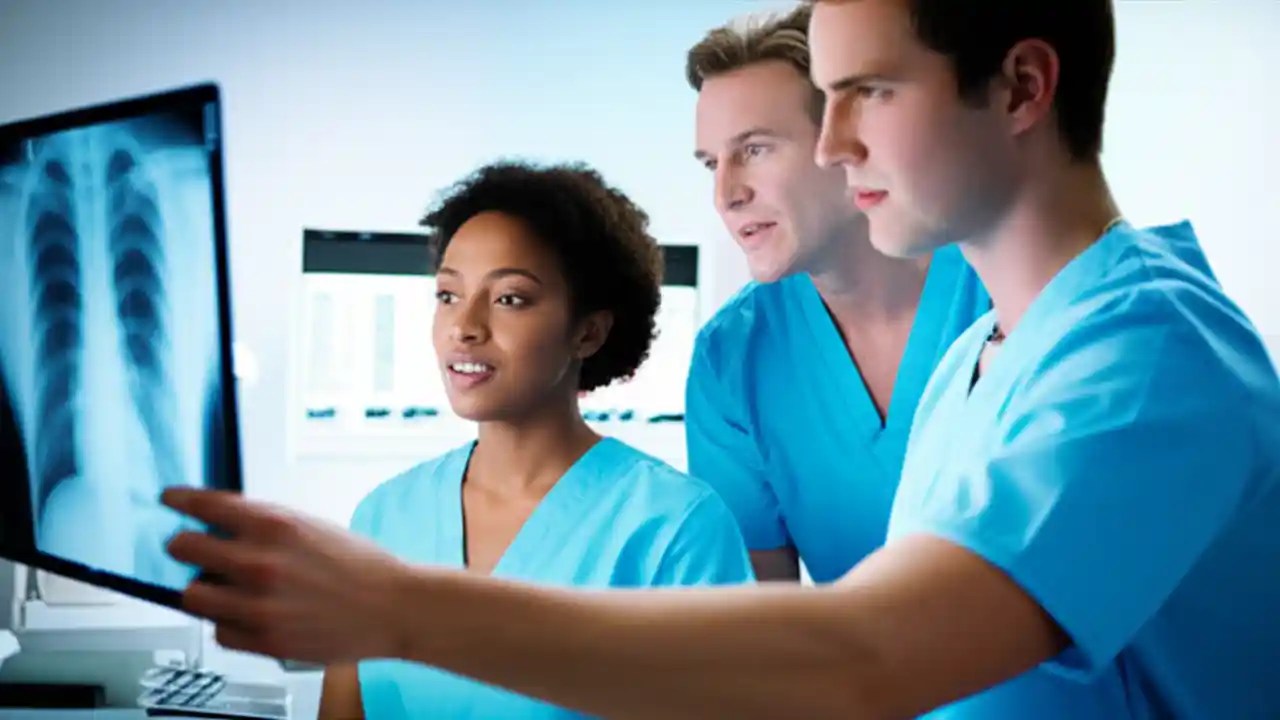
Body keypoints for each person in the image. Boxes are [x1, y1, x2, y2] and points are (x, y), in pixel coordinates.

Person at [162, 1, 1280, 717]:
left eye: (868, 95)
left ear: (1023, 87)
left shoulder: (1145, 355)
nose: (837, 148)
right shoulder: (982, 360)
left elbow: (866, 658)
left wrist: (399, 611)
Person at [314, 160, 755, 719]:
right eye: (448, 294)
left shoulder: (673, 529)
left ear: (587, 331)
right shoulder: (381, 519)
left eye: (509, 299)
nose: (464, 327)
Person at [684, 4, 989, 582]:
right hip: (850, 670)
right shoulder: (732, 359)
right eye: (711, 163)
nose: (726, 194)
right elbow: (760, 628)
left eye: (755, 149)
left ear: (847, 142)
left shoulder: (1002, 294)